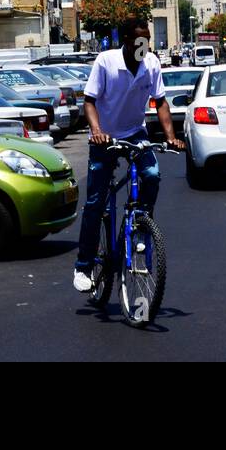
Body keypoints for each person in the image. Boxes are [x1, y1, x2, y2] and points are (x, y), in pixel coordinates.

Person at [73, 18, 184, 293]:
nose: (143, 47)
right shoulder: (105, 62)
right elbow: (89, 101)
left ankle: (140, 225)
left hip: (135, 132)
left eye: (146, 41)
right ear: (125, 40)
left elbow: (159, 102)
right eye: (138, 41)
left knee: (152, 175)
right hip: (105, 136)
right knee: (96, 202)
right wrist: (97, 131)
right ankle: (83, 267)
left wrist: (170, 137)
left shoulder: (152, 65)